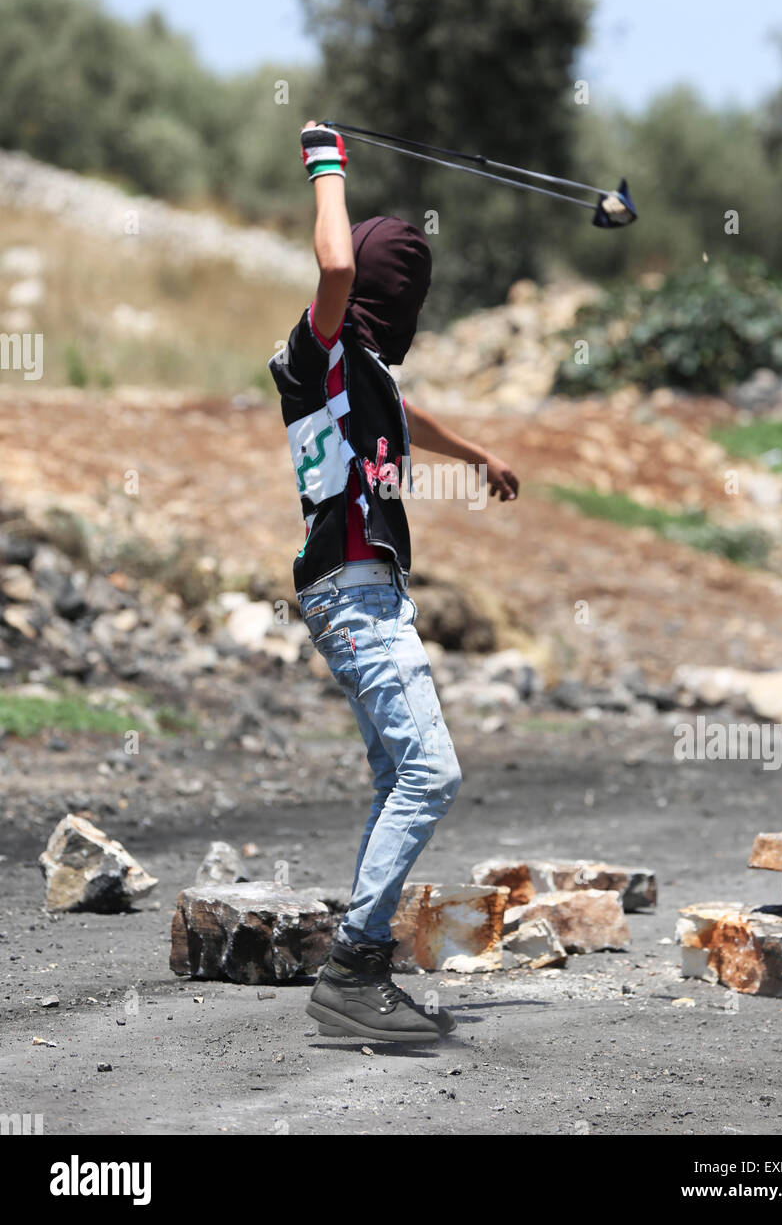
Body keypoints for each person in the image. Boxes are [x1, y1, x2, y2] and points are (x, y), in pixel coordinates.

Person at [268, 122, 519, 1043]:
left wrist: (476, 452)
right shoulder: (318, 353)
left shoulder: (361, 376)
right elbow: (334, 270)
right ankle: (353, 971)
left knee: (395, 775)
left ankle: (357, 964)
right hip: (351, 590)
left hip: (362, 591)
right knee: (431, 771)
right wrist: (325, 165)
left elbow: (410, 413)